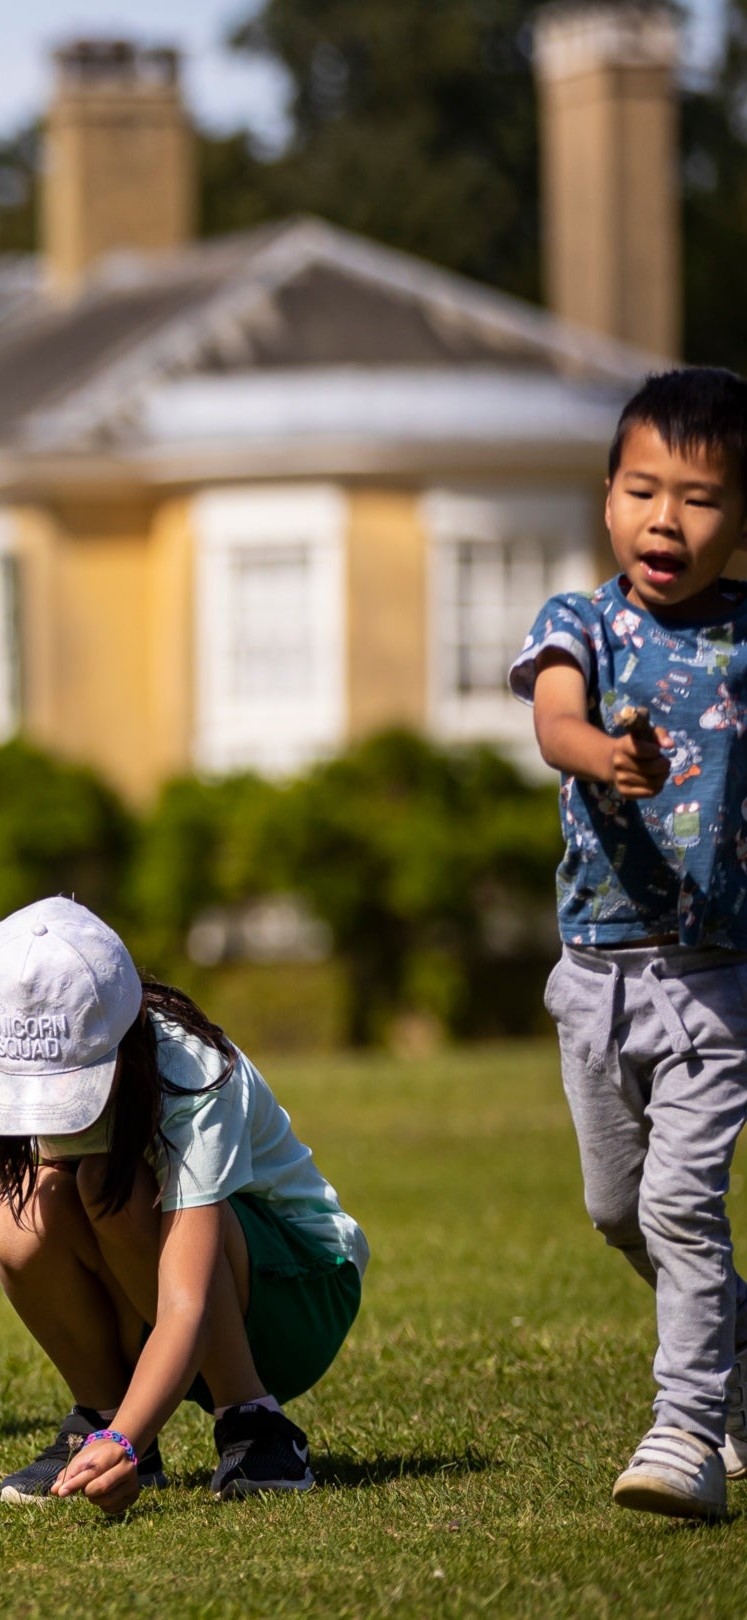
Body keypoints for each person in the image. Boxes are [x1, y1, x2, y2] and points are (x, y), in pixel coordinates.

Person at [513, 365, 747, 1519]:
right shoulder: (580, 623)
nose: (669, 519)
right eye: (645, 490)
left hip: (711, 987)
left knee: (680, 1207)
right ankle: (731, 1344)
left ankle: (688, 1434)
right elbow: (556, 716)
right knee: (618, 1210)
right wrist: (606, 753)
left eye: (701, 498)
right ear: (607, 498)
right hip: (594, 981)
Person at [0, 897, 367, 1516]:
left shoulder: (193, 1072)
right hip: (165, 1276)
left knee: (112, 1187)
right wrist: (117, 1435)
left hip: (299, 1297)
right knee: (22, 1221)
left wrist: (127, 1437)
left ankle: (252, 1421)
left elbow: (185, 1302)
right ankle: (95, 1415)